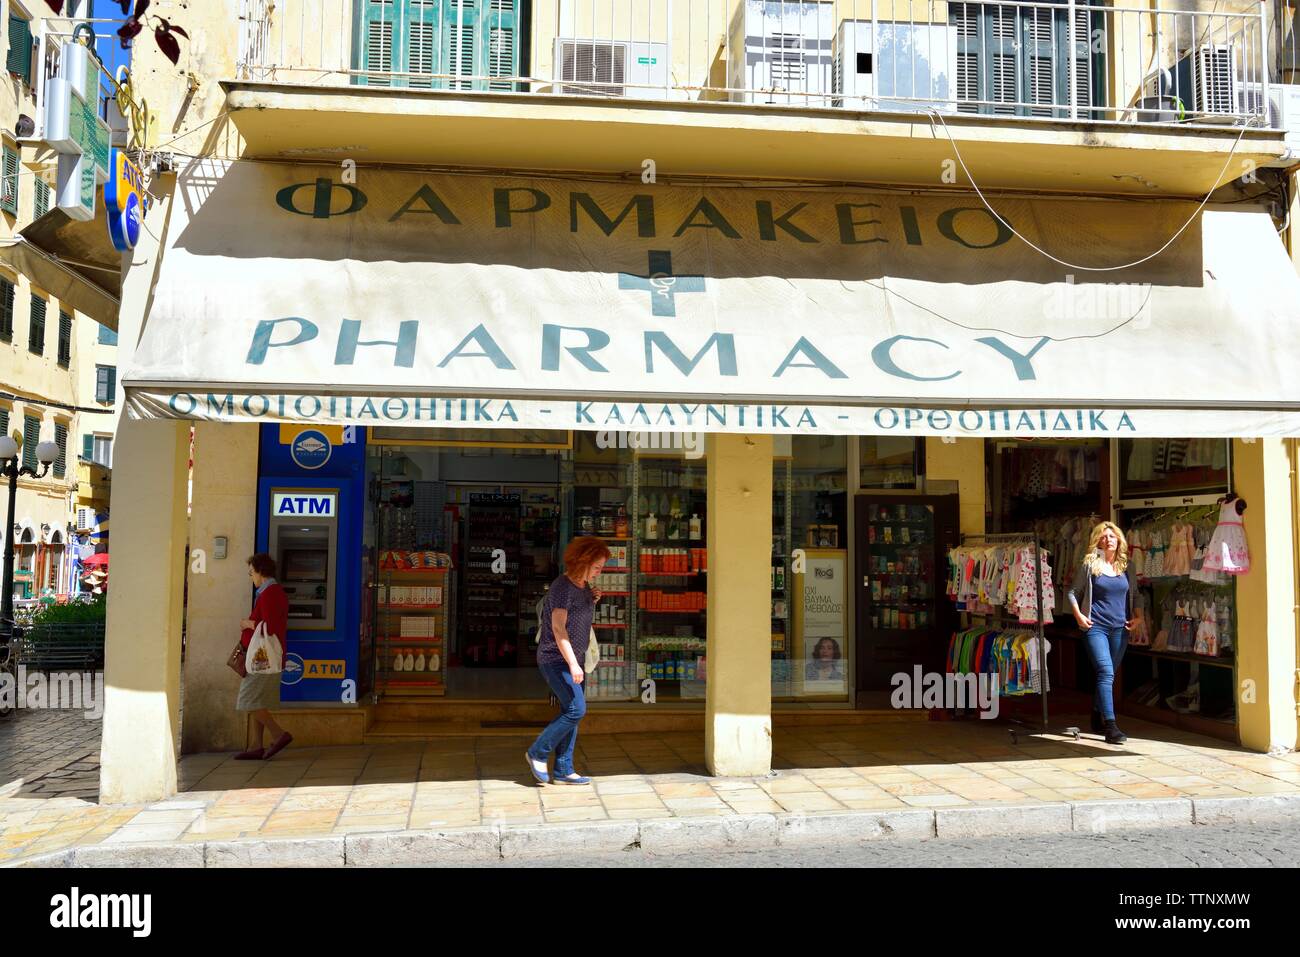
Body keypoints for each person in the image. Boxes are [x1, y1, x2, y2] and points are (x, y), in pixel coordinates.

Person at [525, 536, 609, 785]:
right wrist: (573, 663)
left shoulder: (582, 587)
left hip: (575, 659)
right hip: (556, 659)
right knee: (576, 709)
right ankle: (537, 753)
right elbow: (558, 628)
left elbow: (576, 616)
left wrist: (592, 599)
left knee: (570, 710)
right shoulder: (562, 587)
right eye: (597, 567)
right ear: (583, 561)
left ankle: (563, 770)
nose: (600, 572)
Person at [1069, 522, 1138, 745]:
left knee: (1108, 674)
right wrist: (1079, 616)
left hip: (1120, 628)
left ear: (1119, 541)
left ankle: (1096, 711)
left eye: (1112, 536)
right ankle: (1111, 726)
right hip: (1095, 627)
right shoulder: (1090, 565)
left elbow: (1137, 595)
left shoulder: (1128, 566)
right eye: (1103, 537)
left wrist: (1140, 617)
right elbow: (1072, 592)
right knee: (1106, 672)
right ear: (1097, 541)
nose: (1108, 539)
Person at [235, 553, 293, 760]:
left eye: (252, 573)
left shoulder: (270, 593)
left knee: (248, 700)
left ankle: (279, 734)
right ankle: (256, 746)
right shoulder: (270, 592)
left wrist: (247, 624)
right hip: (263, 657)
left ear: (260, 572)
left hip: (262, 658)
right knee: (257, 700)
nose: (251, 577)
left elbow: (270, 627)